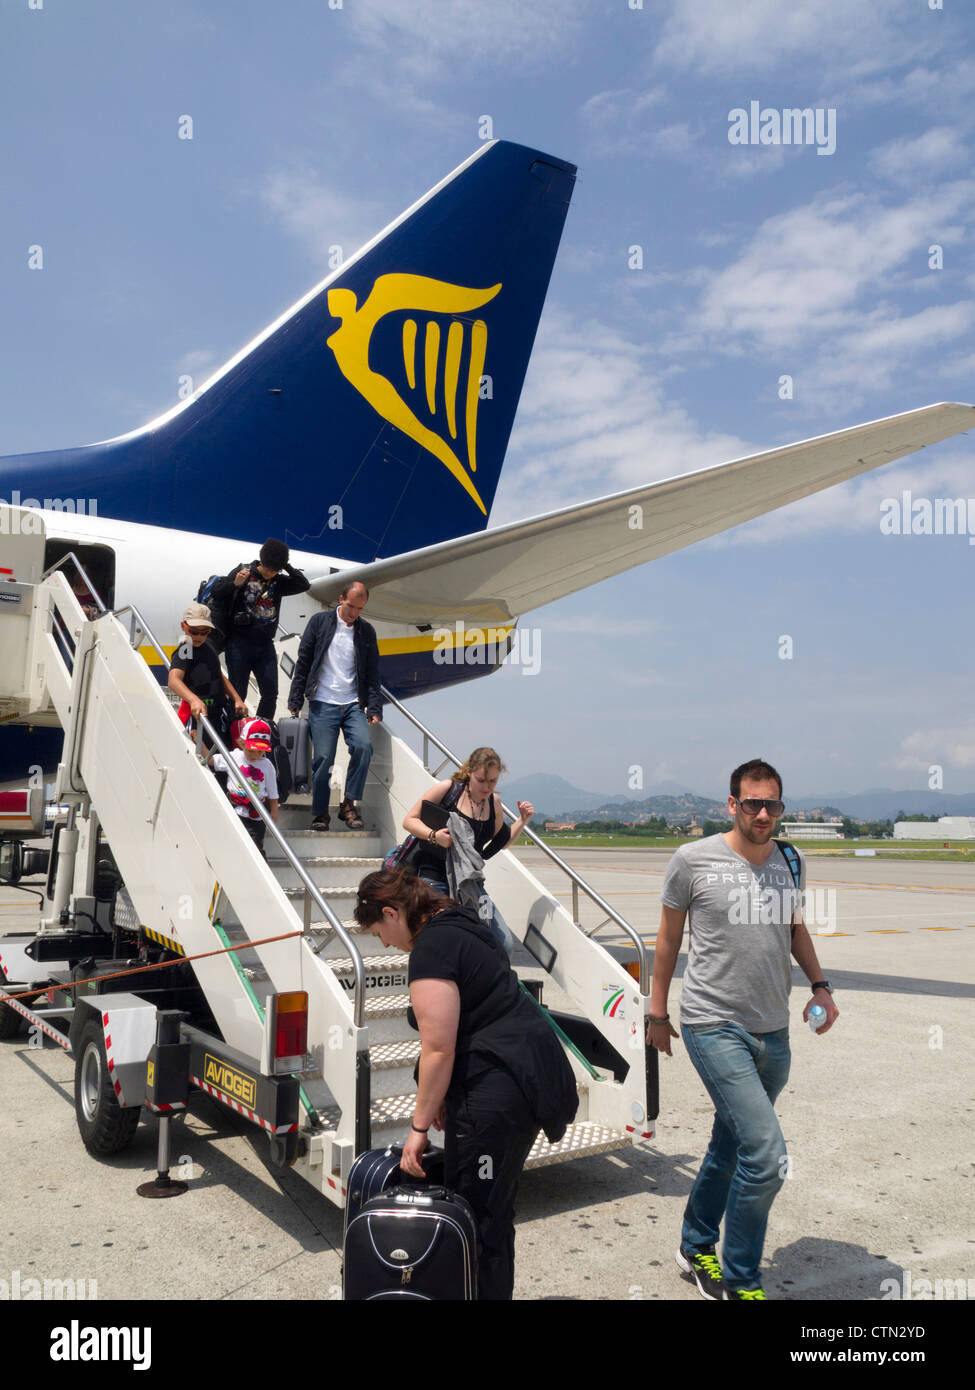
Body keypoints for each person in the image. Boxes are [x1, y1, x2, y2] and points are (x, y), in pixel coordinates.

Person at [647, 758, 839, 1301]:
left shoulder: (790, 860)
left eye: (771, 804)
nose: (762, 813)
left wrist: (820, 986)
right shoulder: (692, 859)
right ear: (731, 805)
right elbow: (667, 940)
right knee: (766, 1152)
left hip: (773, 1031)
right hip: (712, 1024)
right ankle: (740, 1279)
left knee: (730, 1145)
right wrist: (656, 1014)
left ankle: (695, 1242)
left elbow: (795, 927)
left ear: (781, 807)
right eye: (751, 803)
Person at [353, 867, 577, 1300]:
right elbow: (465, 1021)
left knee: (480, 1216)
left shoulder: (431, 949)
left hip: (497, 1093)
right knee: (490, 1210)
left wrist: (417, 1131)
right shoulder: (456, 919)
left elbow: (440, 1047)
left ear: (391, 913)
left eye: (379, 931)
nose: (383, 942)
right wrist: (434, 1090)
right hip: (524, 1075)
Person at [402, 747, 534, 955]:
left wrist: (522, 820)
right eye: (481, 780)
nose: (486, 787)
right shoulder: (448, 790)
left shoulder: (494, 803)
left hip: (469, 882)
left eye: (492, 781)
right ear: (470, 772)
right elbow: (409, 820)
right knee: (450, 939)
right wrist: (434, 836)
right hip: (434, 876)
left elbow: (502, 842)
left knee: (503, 943)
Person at [286, 581, 381, 831]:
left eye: (360, 609)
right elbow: (304, 662)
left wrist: (374, 707)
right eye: (351, 606)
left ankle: (348, 804)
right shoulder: (320, 622)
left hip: (352, 703)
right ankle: (320, 814)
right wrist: (295, 699)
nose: (354, 613)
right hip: (323, 701)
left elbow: (372, 672)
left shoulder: (366, 631)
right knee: (323, 758)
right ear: (341, 599)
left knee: (364, 747)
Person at [213, 538, 310, 720]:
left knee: (270, 692)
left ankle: (260, 731)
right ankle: (235, 735)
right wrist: (234, 583)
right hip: (239, 643)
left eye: (275, 570)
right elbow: (216, 592)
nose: (270, 574)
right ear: (261, 562)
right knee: (238, 693)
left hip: (265, 645)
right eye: (268, 569)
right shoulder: (244, 572)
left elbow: (304, 585)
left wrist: (285, 565)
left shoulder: (279, 581)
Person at [168, 602, 247, 748]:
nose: (199, 636)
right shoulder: (186, 648)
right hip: (199, 716)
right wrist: (193, 700)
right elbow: (173, 680)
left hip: (220, 712)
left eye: (204, 632)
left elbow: (219, 675)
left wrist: (236, 698)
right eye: (193, 631)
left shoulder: (209, 644)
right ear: (183, 626)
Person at [211, 717, 279, 857]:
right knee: (230, 846)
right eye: (251, 750)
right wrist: (196, 739)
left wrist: (274, 813)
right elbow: (212, 761)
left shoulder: (267, 766)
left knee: (255, 850)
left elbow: (273, 793)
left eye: (260, 752)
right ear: (242, 744)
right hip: (234, 810)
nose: (255, 755)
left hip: (256, 815)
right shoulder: (235, 756)